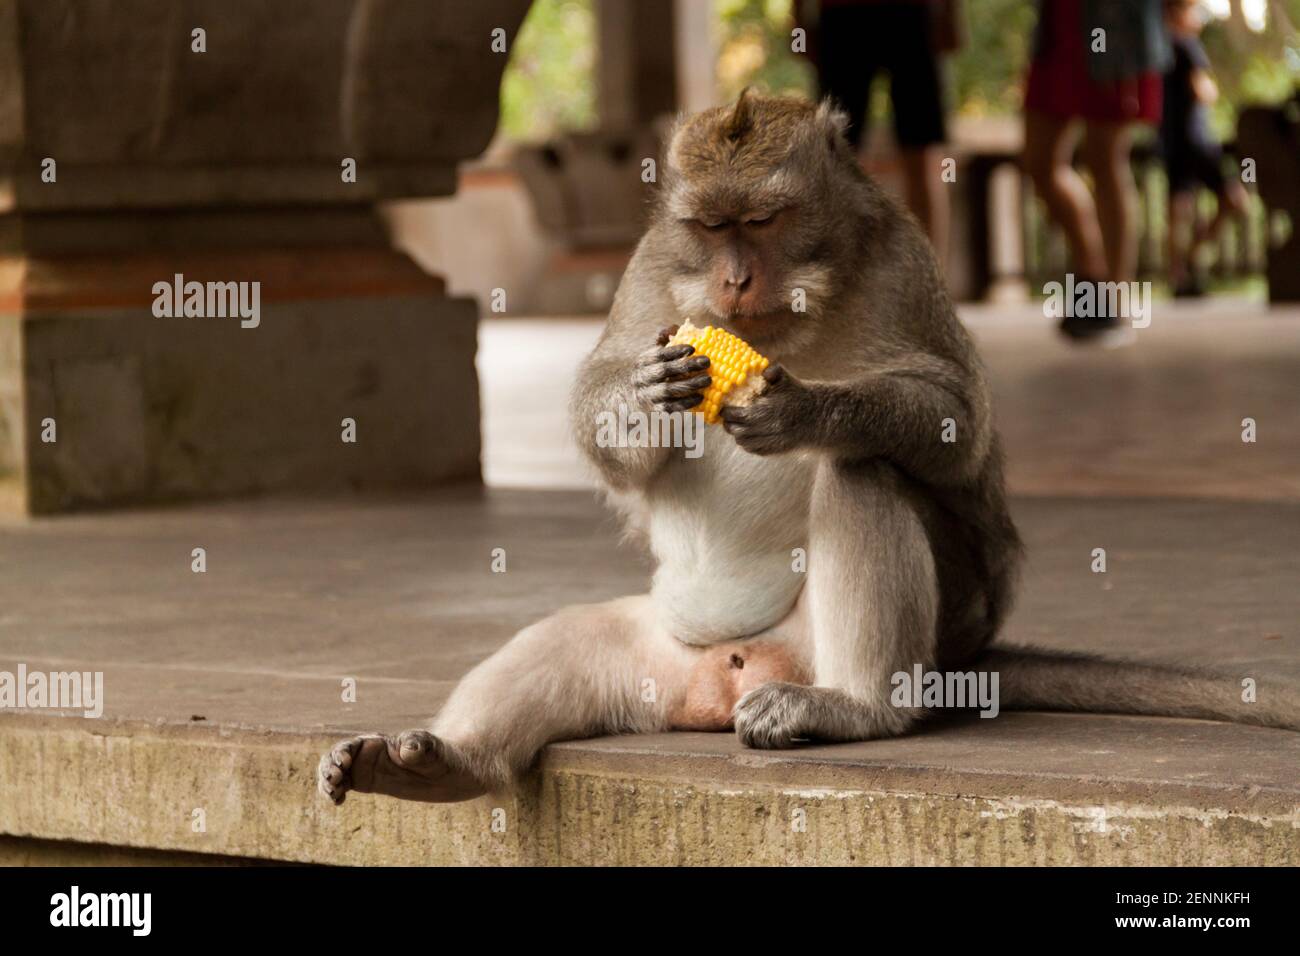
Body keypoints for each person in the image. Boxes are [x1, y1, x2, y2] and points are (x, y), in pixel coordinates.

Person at [1022, 0, 1170, 340]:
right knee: (1039, 161)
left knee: (1104, 158)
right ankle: (1092, 273)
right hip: (1058, 30)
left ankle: (1113, 300)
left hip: (1115, 29)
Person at [796, 0, 962, 269]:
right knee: (833, 160)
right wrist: (798, 20)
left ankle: (930, 282)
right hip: (841, 15)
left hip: (911, 13)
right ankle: (840, 282)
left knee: (922, 156)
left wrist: (951, 14)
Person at [1161, 0, 1249, 297]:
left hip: (1171, 142)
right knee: (1235, 199)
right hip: (1196, 140)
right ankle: (1191, 256)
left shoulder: (1159, 50)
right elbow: (1203, 91)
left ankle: (1179, 275)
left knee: (1178, 209)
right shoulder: (1187, 47)